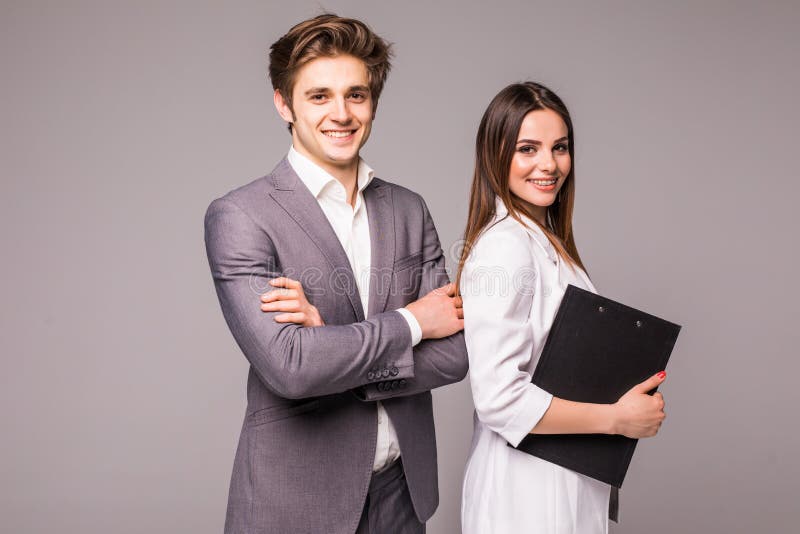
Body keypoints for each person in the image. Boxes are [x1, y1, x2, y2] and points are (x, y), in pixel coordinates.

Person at [204, 14, 468, 534]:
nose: (341, 114)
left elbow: (457, 354)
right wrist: (412, 324)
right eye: (319, 96)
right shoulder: (241, 216)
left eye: (357, 94)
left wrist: (329, 342)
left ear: (373, 101)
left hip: (401, 494)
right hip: (296, 501)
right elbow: (293, 371)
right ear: (285, 103)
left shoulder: (409, 209)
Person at [457, 82, 667, 534]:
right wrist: (616, 418)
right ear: (495, 154)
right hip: (526, 490)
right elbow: (497, 398)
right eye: (527, 149)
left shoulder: (546, 241)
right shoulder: (507, 246)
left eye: (560, 148)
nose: (548, 165)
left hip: (562, 477)